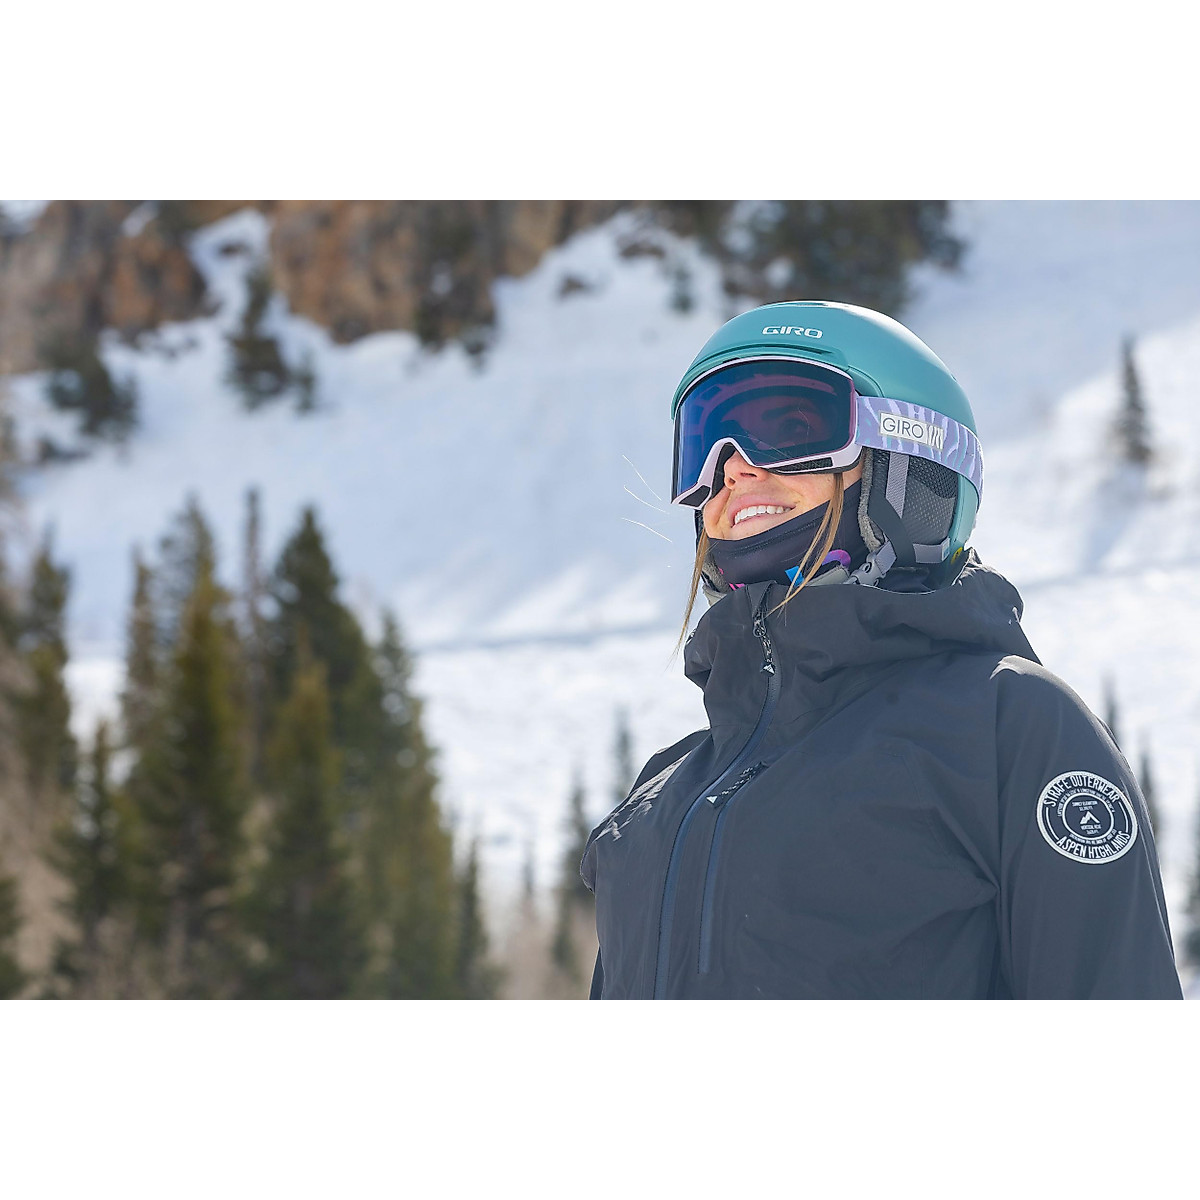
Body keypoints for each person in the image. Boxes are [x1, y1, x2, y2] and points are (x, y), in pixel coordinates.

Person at [581, 300, 1182, 1000]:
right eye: (706, 447)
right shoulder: (660, 799)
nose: (734, 469)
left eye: (787, 429)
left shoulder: (1006, 730)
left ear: (908, 466)